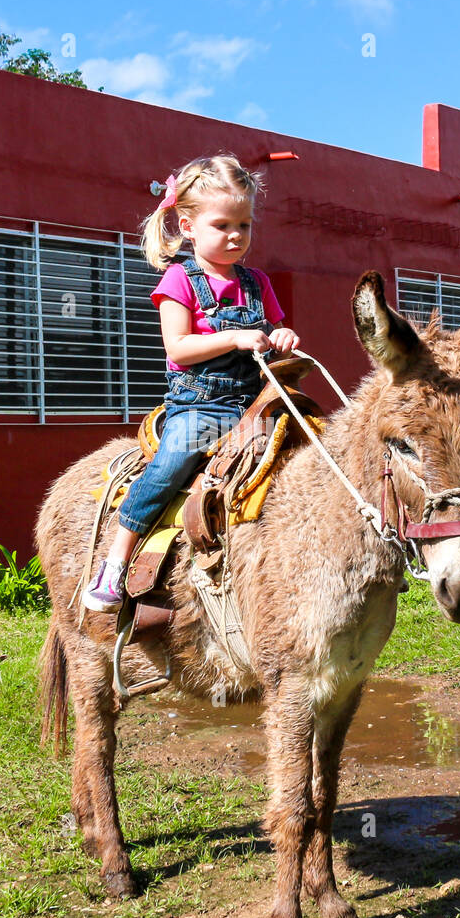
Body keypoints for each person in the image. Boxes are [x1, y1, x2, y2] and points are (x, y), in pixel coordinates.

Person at [81, 154, 299, 613]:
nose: (236, 235)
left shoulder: (257, 282)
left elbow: (275, 334)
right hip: (202, 406)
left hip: (258, 403)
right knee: (171, 464)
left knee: (316, 450)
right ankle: (116, 560)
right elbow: (178, 348)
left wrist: (283, 336)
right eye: (223, 225)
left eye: (245, 224)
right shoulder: (179, 279)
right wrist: (234, 336)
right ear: (188, 225)